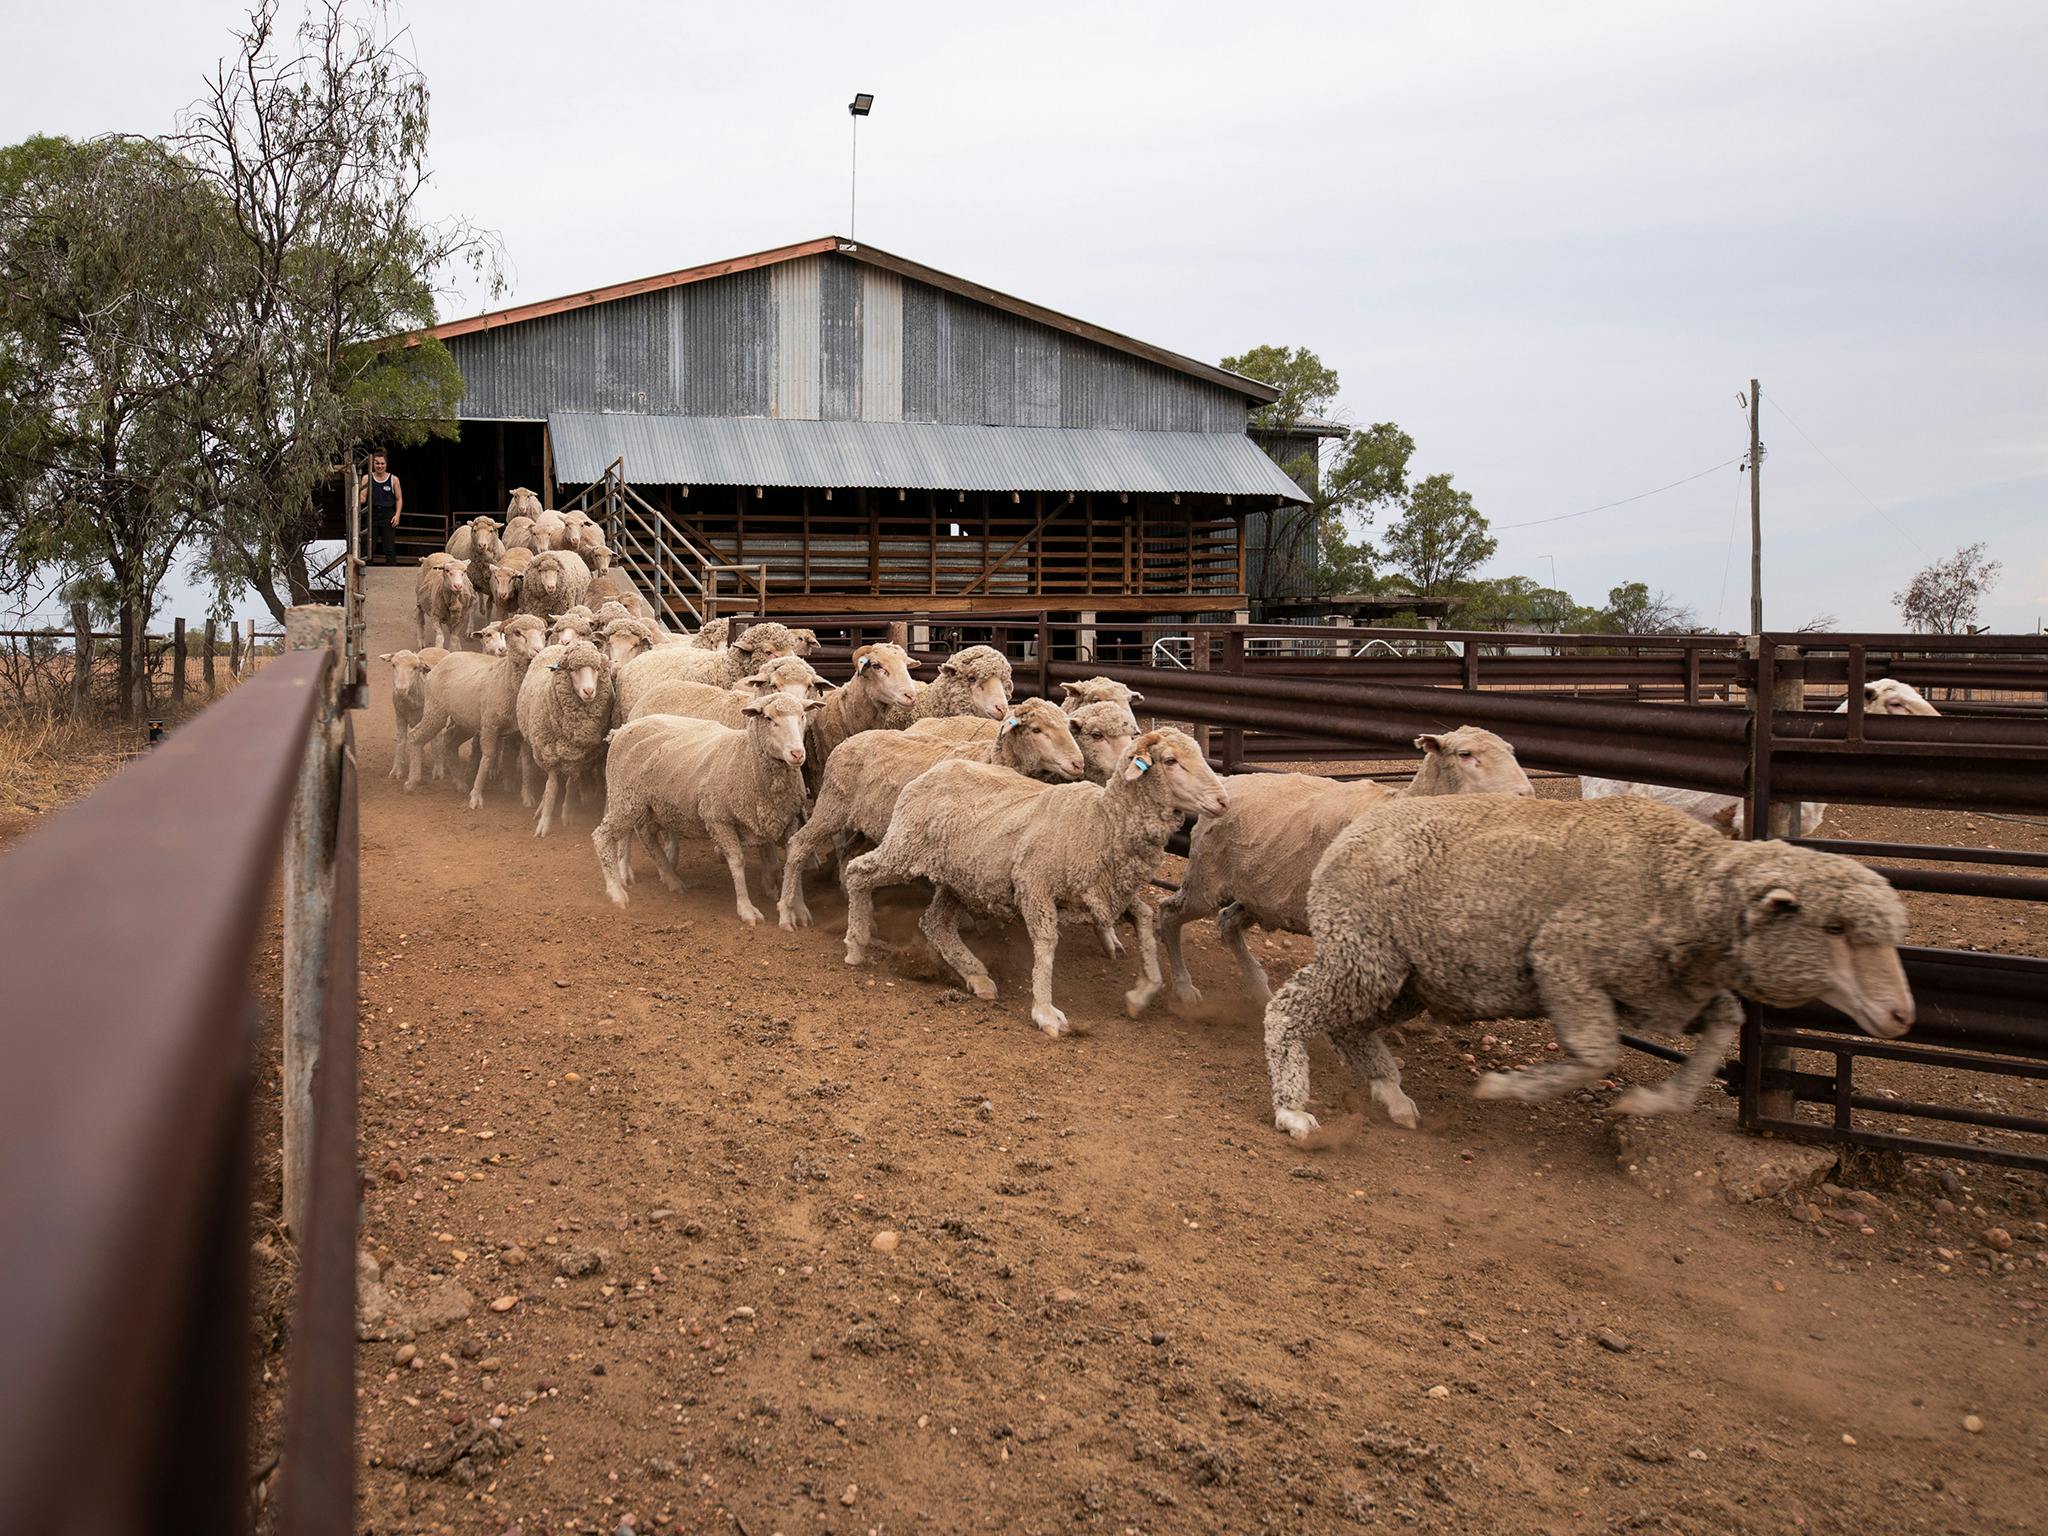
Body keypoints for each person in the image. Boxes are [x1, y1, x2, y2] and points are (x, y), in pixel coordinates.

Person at [361, 450, 404, 564]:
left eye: (382, 463)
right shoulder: (367, 478)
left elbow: (399, 499)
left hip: (388, 514)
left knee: (388, 547)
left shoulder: (393, 479)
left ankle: (391, 572)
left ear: (386, 464)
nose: (380, 466)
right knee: (370, 546)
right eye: (377, 463)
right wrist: (360, 498)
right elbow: (363, 496)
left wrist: (397, 515)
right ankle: (367, 572)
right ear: (373, 464)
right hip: (372, 513)